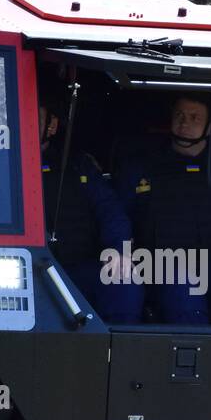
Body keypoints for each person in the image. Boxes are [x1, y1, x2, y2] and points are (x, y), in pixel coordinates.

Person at [117, 93, 211, 324]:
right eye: (179, 115)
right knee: (182, 288)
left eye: (194, 117)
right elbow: (117, 220)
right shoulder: (141, 167)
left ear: (210, 127)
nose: (184, 123)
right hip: (162, 267)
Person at [38, 87, 141, 322]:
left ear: (52, 126)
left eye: (34, 117)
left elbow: (110, 211)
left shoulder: (78, 166)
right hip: (19, 273)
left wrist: (117, 249)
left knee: (123, 276)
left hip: (79, 266)